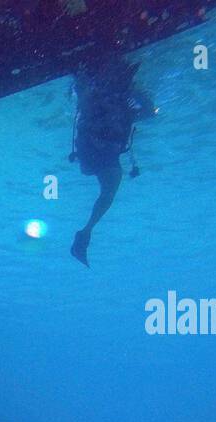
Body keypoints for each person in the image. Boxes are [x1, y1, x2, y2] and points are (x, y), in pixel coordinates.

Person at [69, 55, 155, 266]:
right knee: (109, 191)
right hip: (99, 149)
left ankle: (86, 232)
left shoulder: (117, 93)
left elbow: (148, 113)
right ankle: (86, 232)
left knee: (109, 191)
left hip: (100, 150)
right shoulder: (106, 92)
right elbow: (147, 112)